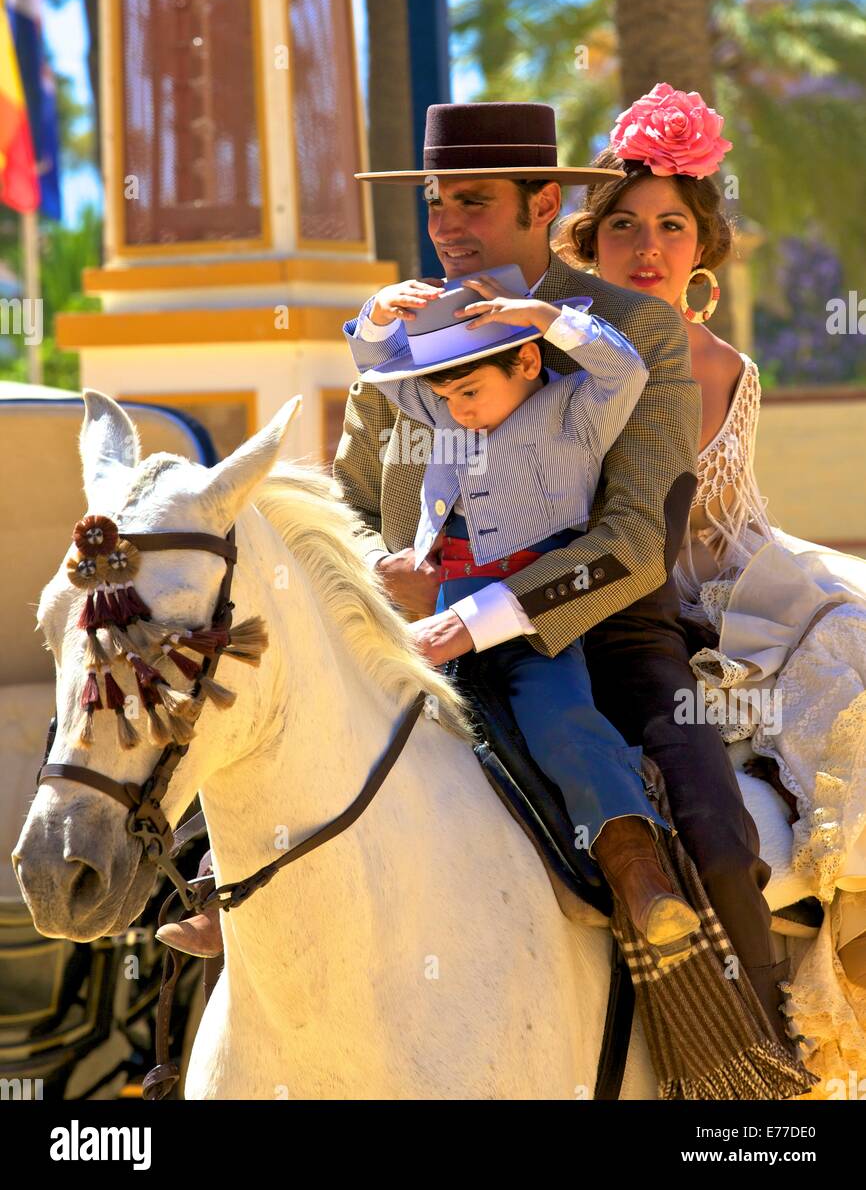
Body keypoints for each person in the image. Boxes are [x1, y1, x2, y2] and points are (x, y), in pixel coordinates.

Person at [330, 100, 792, 1046]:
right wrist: (380, 573)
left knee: (715, 825)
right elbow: (349, 493)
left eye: (474, 203)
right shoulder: (396, 334)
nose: (449, 227)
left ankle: (754, 1076)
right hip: (413, 633)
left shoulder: (632, 331)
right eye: (435, 204)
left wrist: (480, 613)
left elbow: (634, 542)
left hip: (612, 630)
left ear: (543, 202)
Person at [555, 80, 866, 1082]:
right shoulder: (545, 351)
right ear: (590, 244)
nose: (646, 247)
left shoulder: (721, 365)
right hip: (585, 604)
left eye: (670, 227)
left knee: (840, 672)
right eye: (625, 228)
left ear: (700, 249)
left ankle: (800, 1025)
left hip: (717, 592)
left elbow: (677, 532)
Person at [342, 261, 700, 956]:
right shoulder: (442, 404)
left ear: (529, 361)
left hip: (535, 613)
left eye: (470, 391)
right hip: (442, 597)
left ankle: (636, 868)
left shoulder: (576, 413)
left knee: (559, 717)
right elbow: (378, 363)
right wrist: (381, 314)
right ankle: (222, 881)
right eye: (443, 396)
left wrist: (548, 317)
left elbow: (621, 370)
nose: (456, 410)